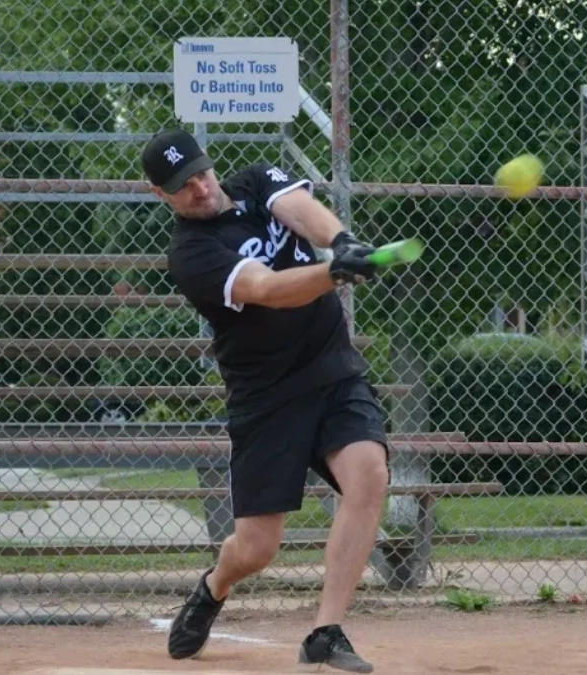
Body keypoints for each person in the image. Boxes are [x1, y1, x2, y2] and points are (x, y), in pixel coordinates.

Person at [141, 128, 391, 674]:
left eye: (202, 174)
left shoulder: (255, 182)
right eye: (183, 186)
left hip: (330, 369)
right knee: (257, 549)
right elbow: (269, 291)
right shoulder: (192, 255)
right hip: (266, 397)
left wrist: (341, 241)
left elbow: (301, 210)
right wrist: (334, 272)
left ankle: (325, 631)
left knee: (369, 474)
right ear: (162, 195)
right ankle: (214, 585)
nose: (201, 189)